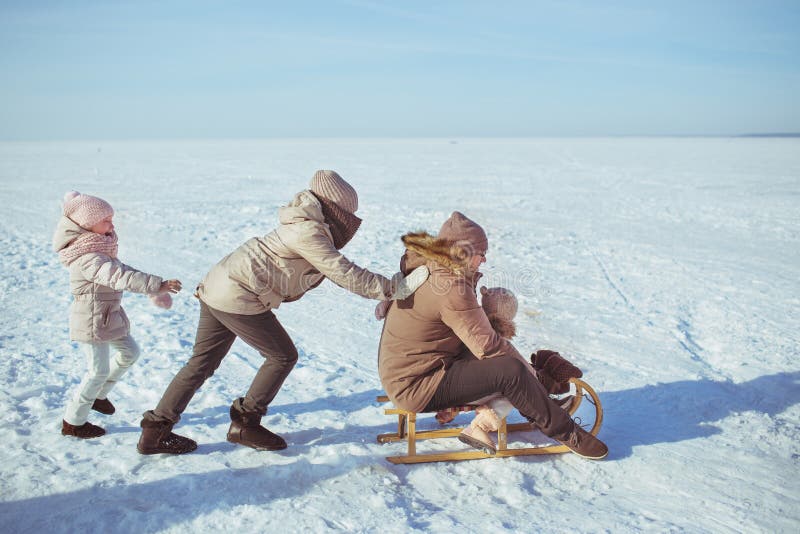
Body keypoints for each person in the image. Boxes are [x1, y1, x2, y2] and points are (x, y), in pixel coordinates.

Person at [137, 170, 428, 455]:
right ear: (333, 209)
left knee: (201, 361)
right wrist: (392, 289)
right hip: (238, 293)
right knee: (282, 355)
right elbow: (342, 271)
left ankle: (154, 432)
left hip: (219, 285)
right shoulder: (308, 230)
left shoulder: (304, 222)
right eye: (346, 215)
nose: (349, 223)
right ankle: (245, 423)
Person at [377, 211, 608, 459]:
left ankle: (538, 402)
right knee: (510, 371)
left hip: (414, 370)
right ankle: (566, 432)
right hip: (417, 384)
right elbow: (487, 346)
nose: (484, 260)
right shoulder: (449, 286)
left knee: (506, 365)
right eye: (481, 254)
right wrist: (529, 374)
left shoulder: (432, 270)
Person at [53, 191, 182, 439]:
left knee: (130, 353)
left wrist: (153, 287)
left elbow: (121, 269)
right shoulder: (87, 256)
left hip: (107, 316)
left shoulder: (99, 249)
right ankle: (73, 422)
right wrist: (157, 285)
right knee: (96, 371)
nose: (112, 224)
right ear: (87, 224)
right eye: (106, 220)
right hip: (91, 319)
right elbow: (118, 276)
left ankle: (98, 396)